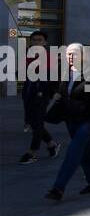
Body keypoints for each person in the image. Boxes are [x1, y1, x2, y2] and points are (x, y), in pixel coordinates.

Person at [43, 43, 90, 201]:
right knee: (86, 151)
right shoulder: (65, 72)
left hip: (88, 118)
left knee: (74, 151)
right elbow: (59, 92)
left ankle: (58, 188)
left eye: (75, 54)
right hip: (70, 118)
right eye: (68, 54)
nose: (71, 57)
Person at [18, 31, 59, 164]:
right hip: (28, 93)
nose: (36, 42)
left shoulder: (49, 57)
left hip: (42, 95)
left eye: (39, 40)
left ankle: (32, 152)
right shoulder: (28, 56)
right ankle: (52, 144)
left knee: (38, 123)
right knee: (33, 123)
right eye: (34, 40)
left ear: (45, 42)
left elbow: (51, 78)